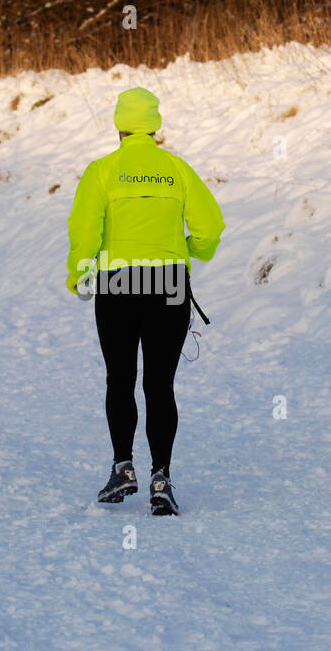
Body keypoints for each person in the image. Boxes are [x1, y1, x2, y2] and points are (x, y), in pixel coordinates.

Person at [65, 87, 225, 515]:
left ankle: (123, 469)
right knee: (159, 384)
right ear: (155, 126)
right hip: (169, 284)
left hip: (118, 283)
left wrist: (77, 274)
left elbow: (85, 232)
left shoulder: (102, 171)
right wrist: (189, 251)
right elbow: (211, 226)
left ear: (119, 125)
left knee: (120, 378)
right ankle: (162, 478)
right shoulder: (176, 170)